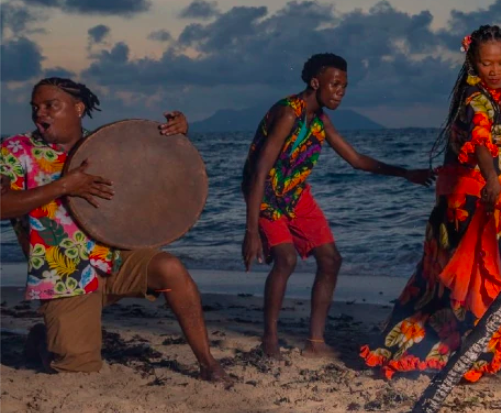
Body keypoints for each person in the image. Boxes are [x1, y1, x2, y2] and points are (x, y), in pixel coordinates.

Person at [360, 25, 501, 382]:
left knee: (446, 280)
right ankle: (455, 351)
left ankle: (454, 348)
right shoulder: (475, 99)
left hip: (474, 199)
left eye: (500, 62)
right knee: (463, 278)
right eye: (487, 63)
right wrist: (490, 179)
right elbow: (482, 142)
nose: (494, 70)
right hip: (465, 204)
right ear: (473, 61)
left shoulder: (497, 95)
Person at [1, 77, 229, 381]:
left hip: (115, 260)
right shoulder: (17, 150)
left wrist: (177, 137)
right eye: (35, 107)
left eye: (50, 106)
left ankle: (208, 364)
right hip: (64, 277)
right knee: (77, 370)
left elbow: (153, 172)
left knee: (170, 269)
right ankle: (42, 340)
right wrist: (65, 186)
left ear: (78, 108)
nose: (40, 113)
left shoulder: (104, 145)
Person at [241, 53, 434, 358]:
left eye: (344, 86)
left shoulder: (321, 121)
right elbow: (260, 171)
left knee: (331, 260)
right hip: (265, 194)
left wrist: (405, 173)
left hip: (295, 193)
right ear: (315, 83)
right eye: (334, 85)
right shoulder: (288, 113)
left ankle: (315, 342)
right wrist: (251, 230)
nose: (340, 91)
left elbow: (356, 160)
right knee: (286, 260)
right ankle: (270, 338)